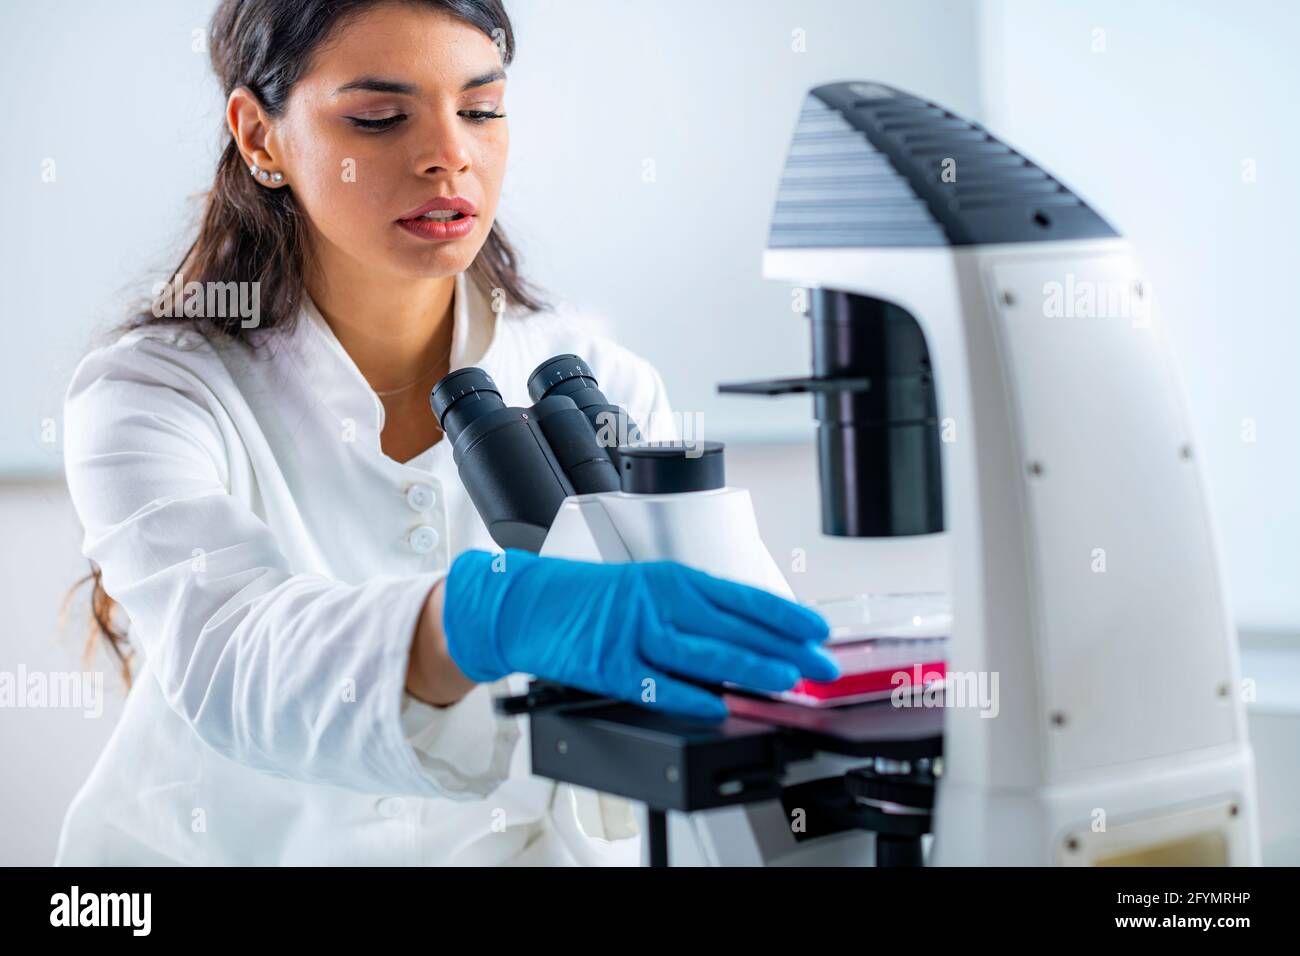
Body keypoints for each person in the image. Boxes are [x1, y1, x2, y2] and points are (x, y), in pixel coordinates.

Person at [56, 0, 836, 866]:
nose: (450, 154)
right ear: (259, 137)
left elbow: (757, 680)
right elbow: (232, 656)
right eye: (380, 117)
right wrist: (478, 616)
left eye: (482, 109)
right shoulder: (154, 393)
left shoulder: (601, 381)